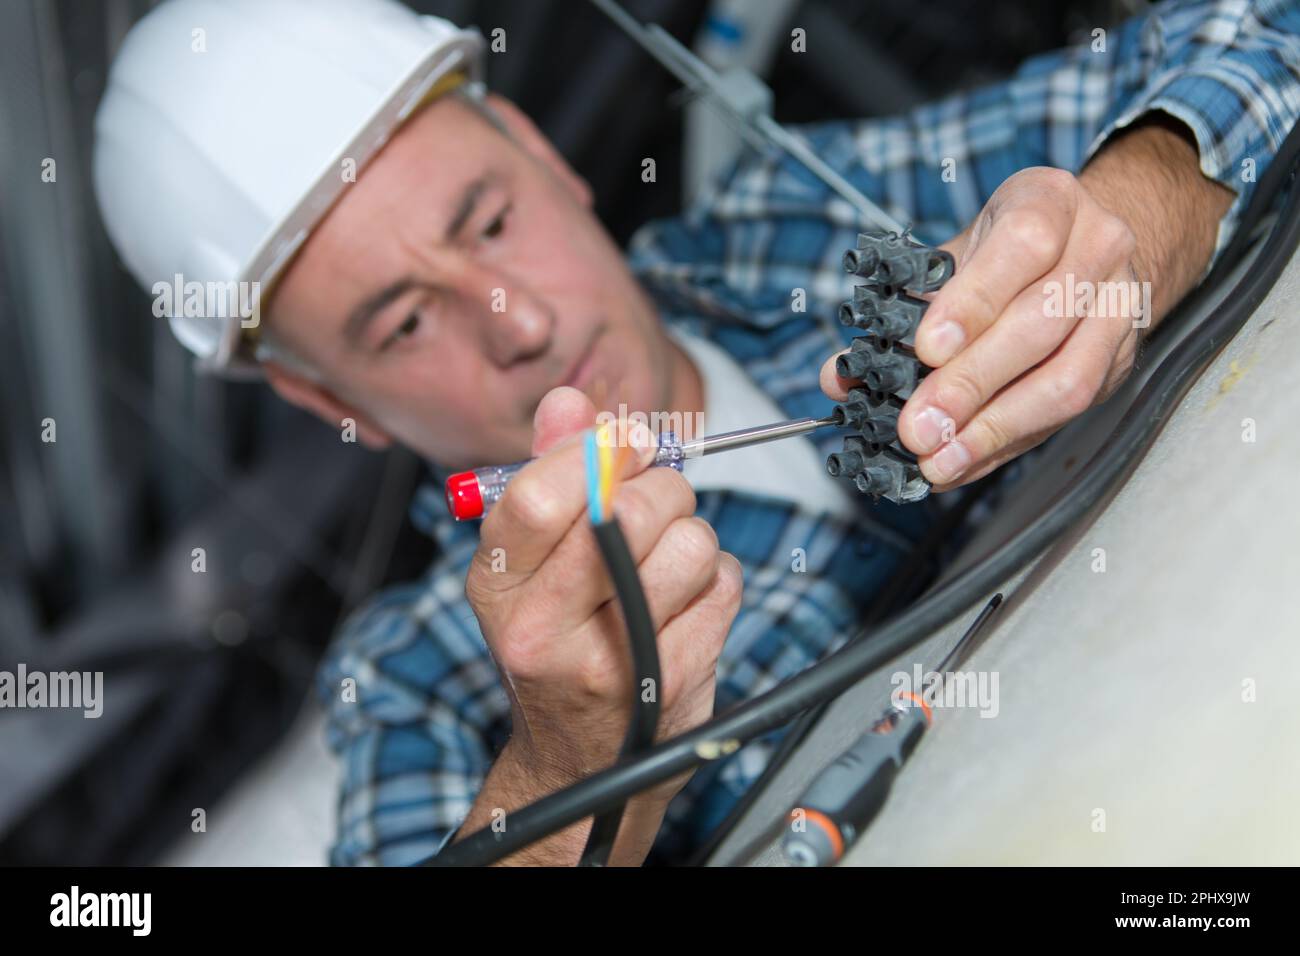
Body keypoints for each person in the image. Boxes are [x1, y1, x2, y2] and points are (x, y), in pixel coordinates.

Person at [93, 0, 1300, 864]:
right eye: (405, 320)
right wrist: (565, 774)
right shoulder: (419, 688)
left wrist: (1142, 209)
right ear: (332, 404)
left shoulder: (802, 213)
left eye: (490, 219)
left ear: (545, 158)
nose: (511, 319)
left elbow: (1249, 28)